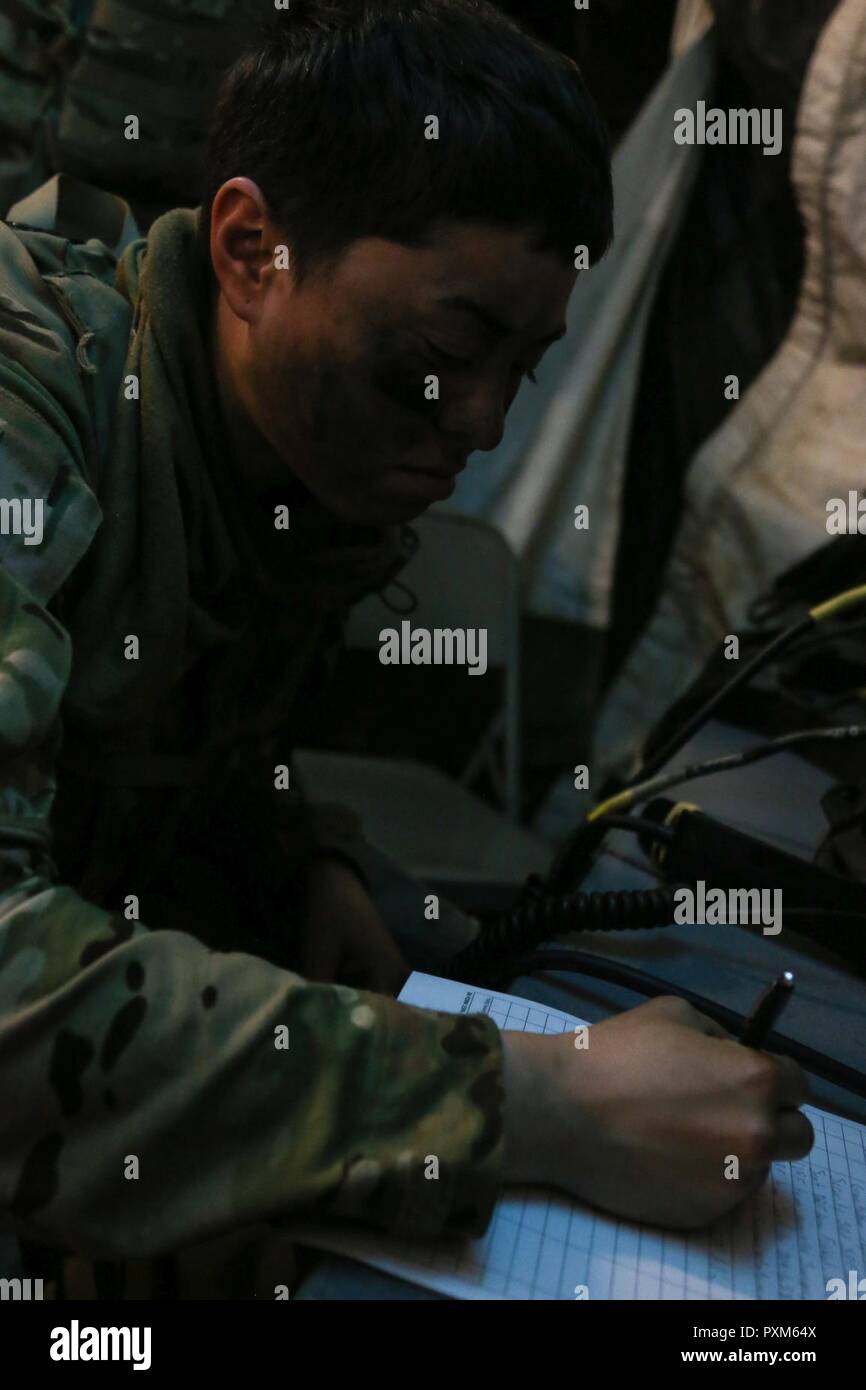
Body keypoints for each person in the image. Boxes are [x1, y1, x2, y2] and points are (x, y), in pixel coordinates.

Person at [0, 0, 812, 1299]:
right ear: (251, 248)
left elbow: (144, 741)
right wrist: (537, 1101)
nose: (482, 422)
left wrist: (289, 854)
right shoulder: (26, 409)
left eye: (522, 364)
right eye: (441, 356)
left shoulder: (277, 449)